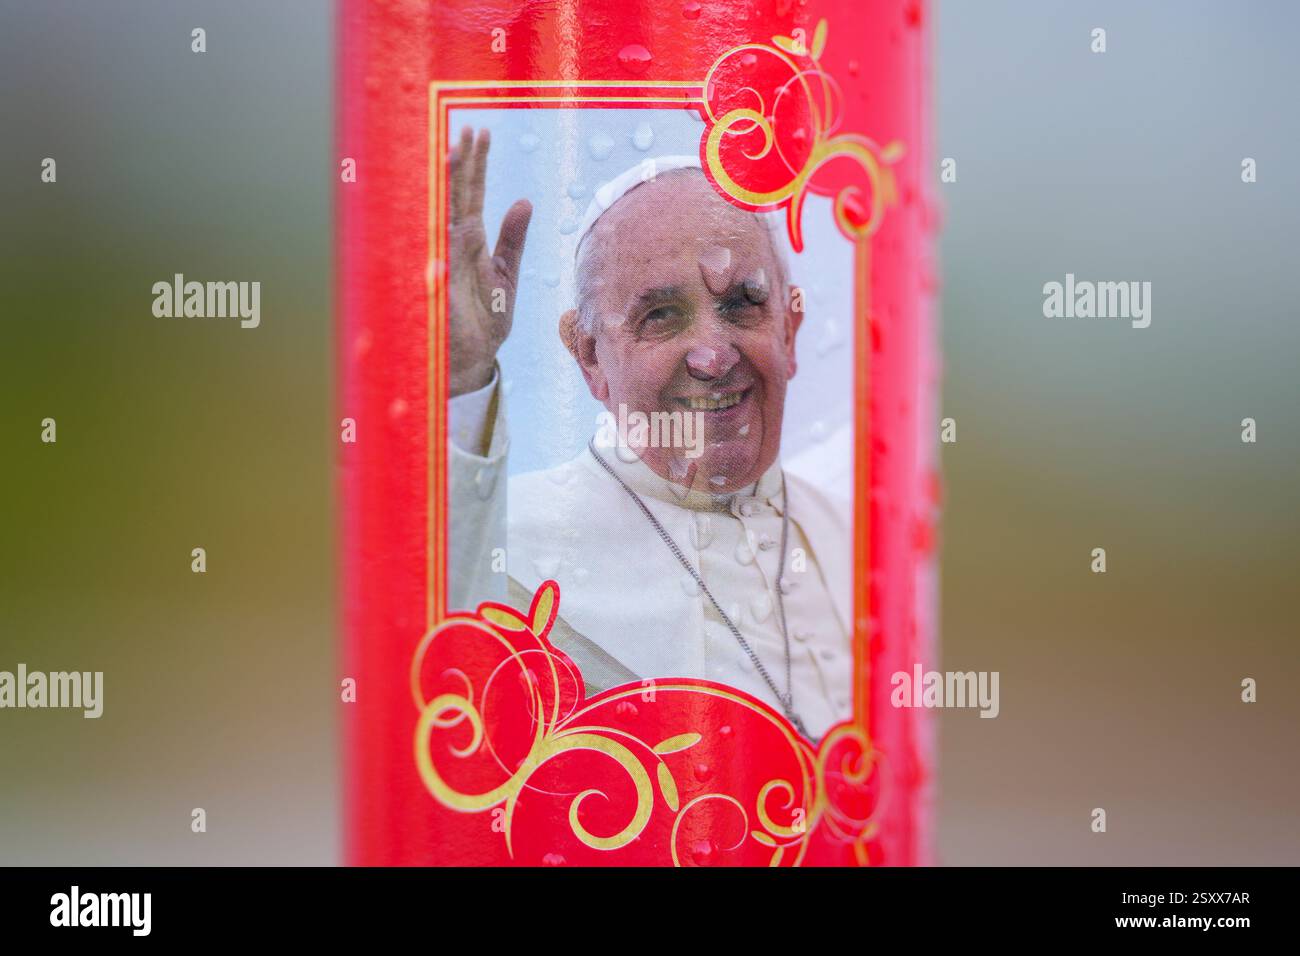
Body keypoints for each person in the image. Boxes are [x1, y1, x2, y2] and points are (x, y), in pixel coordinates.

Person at [445, 126, 851, 739]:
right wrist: (462, 377)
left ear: (789, 333)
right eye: (660, 316)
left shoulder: (852, 535)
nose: (713, 357)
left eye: (743, 303)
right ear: (589, 359)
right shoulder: (512, 547)